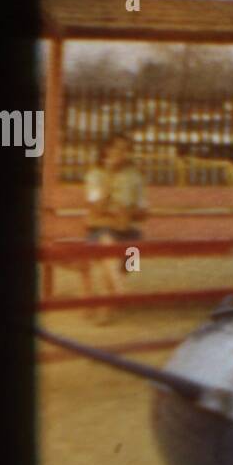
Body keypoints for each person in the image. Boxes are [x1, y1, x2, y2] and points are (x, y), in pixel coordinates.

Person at [83, 134, 147, 323]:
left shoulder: (134, 176)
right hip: (100, 231)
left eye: (126, 149)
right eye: (117, 148)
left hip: (129, 231)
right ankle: (117, 293)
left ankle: (109, 302)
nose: (121, 153)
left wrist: (129, 213)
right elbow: (97, 208)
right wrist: (110, 176)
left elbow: (144, 212)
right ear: (106, 150)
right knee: (108, 247)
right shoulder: (94, 175)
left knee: (131, 258)